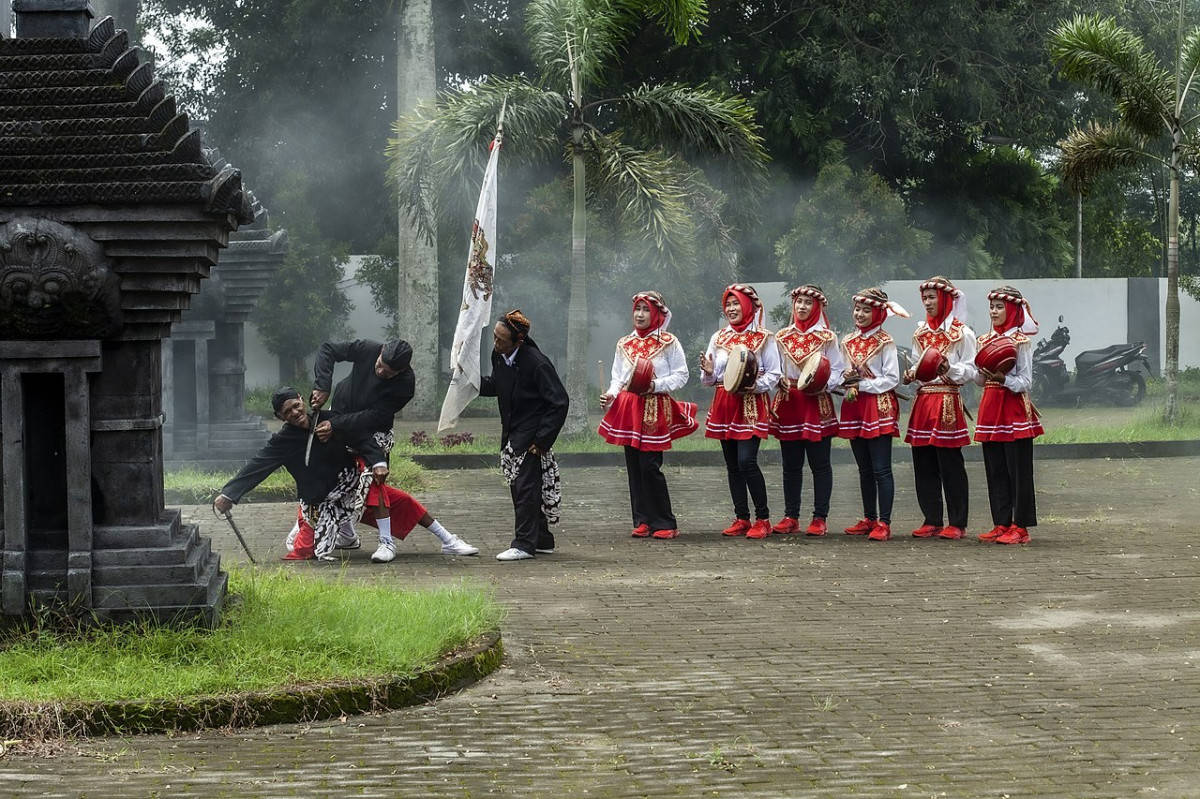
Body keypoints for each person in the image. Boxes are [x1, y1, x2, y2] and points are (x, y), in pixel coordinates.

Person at [299, 337, 477, 560]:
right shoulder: (368, 349)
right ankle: (347, 535)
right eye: (380, 364)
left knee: (373, 483)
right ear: (381, 351)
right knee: (338, 482)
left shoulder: (405, 385)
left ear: (402, 370)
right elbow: (327, 348)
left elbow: (372, 417)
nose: (381, 372)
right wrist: (322, 385)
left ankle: (388, 542)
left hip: (372, 431)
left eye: (389, 371)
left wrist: (341, 429)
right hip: (340, 416)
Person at [214, 387, 376, 560]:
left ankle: (349, 534)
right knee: (304, 550)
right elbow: (258, 466)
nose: (295, 412)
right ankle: (314, 527)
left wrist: (379, 462)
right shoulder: (283, 441)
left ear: (302, 400)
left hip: (349, 487)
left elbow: (362, 437)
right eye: (287, 411)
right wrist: (229, 494)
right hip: (317, 499)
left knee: (401, 504)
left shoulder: (330, 419)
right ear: (280, 417)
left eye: (296, 405)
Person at [598, 291, 698, 540]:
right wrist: (610, 395)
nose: (640, 314)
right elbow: (618, 378)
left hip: (655, 408)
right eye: (637, 309)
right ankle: (642, 520)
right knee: (633, 466)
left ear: (656, 314)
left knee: (650, 466)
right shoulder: (624, 343)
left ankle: (665, 522)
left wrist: (655, 385)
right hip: (629, 408)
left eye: (645, 310)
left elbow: (682, 375)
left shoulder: (668, 342)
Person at [480, 310, 570, 561]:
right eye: (495, 338)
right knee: (523, 488)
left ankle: (524, 544)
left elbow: (559, 402)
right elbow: (497, 386)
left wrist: (542, 440)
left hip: (531, 435)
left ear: (518, 341)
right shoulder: (499, 356)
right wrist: (471, 383)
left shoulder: (537, 363)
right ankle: (541, 540)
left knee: (525, 489)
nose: (496, 344)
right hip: (512, 430)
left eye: (501, 340)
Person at [700, 283, 782, 540]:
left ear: (748, 306)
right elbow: (709, 379)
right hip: (724, 403)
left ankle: (764, 518)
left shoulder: (764, 337)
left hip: (750, 405)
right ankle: (741, 517)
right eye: (728, 305)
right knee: (732, 465)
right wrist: (709, 371)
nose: (732, 308)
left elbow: (775, 373)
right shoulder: (718, 337)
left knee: (747, 461)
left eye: (737, 304)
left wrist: (753, 385)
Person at [902, 276, 977, 540]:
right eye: (925, 298)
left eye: (933, 297)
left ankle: (957, 522)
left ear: (945, 299)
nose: (928, 302)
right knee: (923, 462)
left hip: (946, 400)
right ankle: (931, 518)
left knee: (950, 464)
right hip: (923, 400)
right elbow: (916, 363)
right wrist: (911, 373)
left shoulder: (962, 333)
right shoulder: (920, 333)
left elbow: (971, 369)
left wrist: (950, 368)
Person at [769, 285, 846, 536]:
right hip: (790, 400)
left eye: (807, 303)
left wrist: (822, 382)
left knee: (820, 463)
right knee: (791, 464)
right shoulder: (781, 336)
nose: (802, 307)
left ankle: (820, 517)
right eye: (799, 302)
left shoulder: (827, 338)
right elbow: (775, 368)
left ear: (817, 307)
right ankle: (791, 515)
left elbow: (838, 371)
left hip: (816, 402)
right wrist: (778, 379)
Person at [974, 285, 1044, 545]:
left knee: (1019, 470)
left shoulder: (1021, 342)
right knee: (996, 469)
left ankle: (1021, 526)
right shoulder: (983, 340)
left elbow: (1026, 381)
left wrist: (1004, 379)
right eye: (991, 306)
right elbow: (980, 380)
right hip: (991, 408)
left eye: (999, 307)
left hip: (1014, 410)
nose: (993, 311)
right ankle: (1001, 522)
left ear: (1013, 310)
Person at [838, 287, 907, 541]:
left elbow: (891, 379)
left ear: (878, 314)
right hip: (855, 406)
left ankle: (884, 522)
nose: (860, 314)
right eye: (857, 309)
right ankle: (869, 518)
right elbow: (838, 374)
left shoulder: (885, 342)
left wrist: (861, 384)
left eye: (867, 310)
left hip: (878, 407)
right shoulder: (846, 341)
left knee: (881, 469)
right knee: (864, 468)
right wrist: (844, 380)